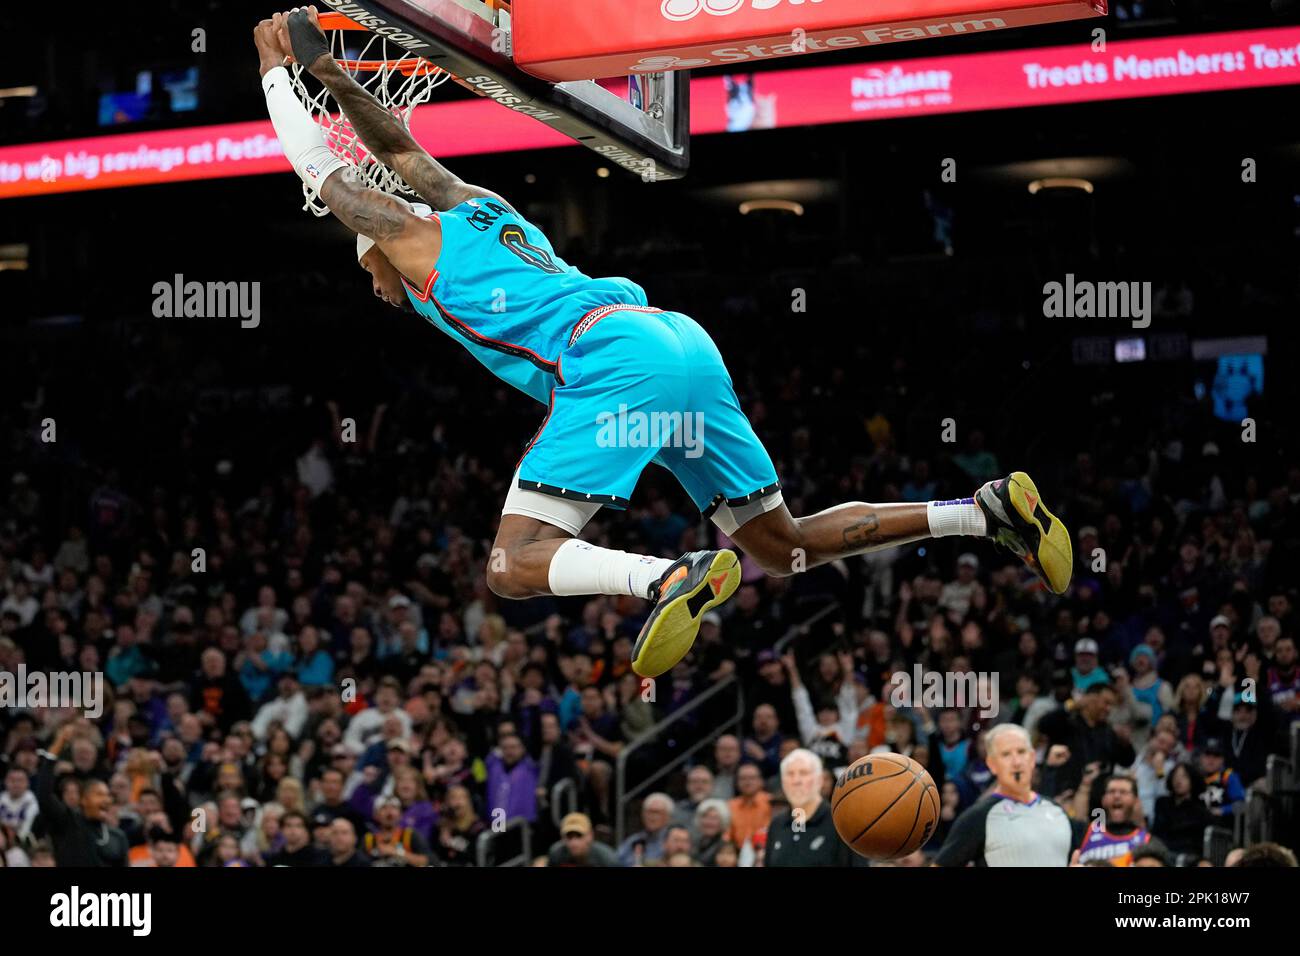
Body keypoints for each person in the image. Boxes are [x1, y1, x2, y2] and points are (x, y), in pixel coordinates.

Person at [254, 7, 1072, 683]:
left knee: (512, 567)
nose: (376, 289)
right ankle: (980, 513)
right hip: (680, 343)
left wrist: (270, 73)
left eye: (371, 273)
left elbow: (326, 173)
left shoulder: (407, 244)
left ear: (382, 255)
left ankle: (662, 577)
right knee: (779, 547)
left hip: (612, 360)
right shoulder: (478, 207)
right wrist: (327, 75)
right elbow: (397, 150)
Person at [934, 724, 1081, 867]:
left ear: (1032, 758)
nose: (1016, 762)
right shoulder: (978, 817)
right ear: (991, 764)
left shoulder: (1057, 810)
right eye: (1006, 754)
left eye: (1021, 752)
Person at [33, 723, 128, 867]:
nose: (106, 800)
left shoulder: (118, 836)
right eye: (99, 795)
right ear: (83, 800)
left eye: (108, 795)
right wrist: (55, 749)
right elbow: (44, 797)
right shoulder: (68, 822)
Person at [764, 748, 858, 867]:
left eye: (804, 773)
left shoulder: (841, 822)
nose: (796, 781)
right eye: (790, 774)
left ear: (819, 780)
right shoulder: (776, 825)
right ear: (782, 782)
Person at [1074, 774, 1166, 867]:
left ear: (1136, 801)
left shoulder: (1148, 842)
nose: (1117, 796)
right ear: (1103, 799)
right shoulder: (1084, 832)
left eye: (1123, 792)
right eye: (1111, 791)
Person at [547, 812, 620, 866]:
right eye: (569, 836)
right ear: (562, 838)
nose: (574, 842)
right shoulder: (556, 854)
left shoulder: (607, 859)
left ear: (590, 835)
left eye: (579, 835)